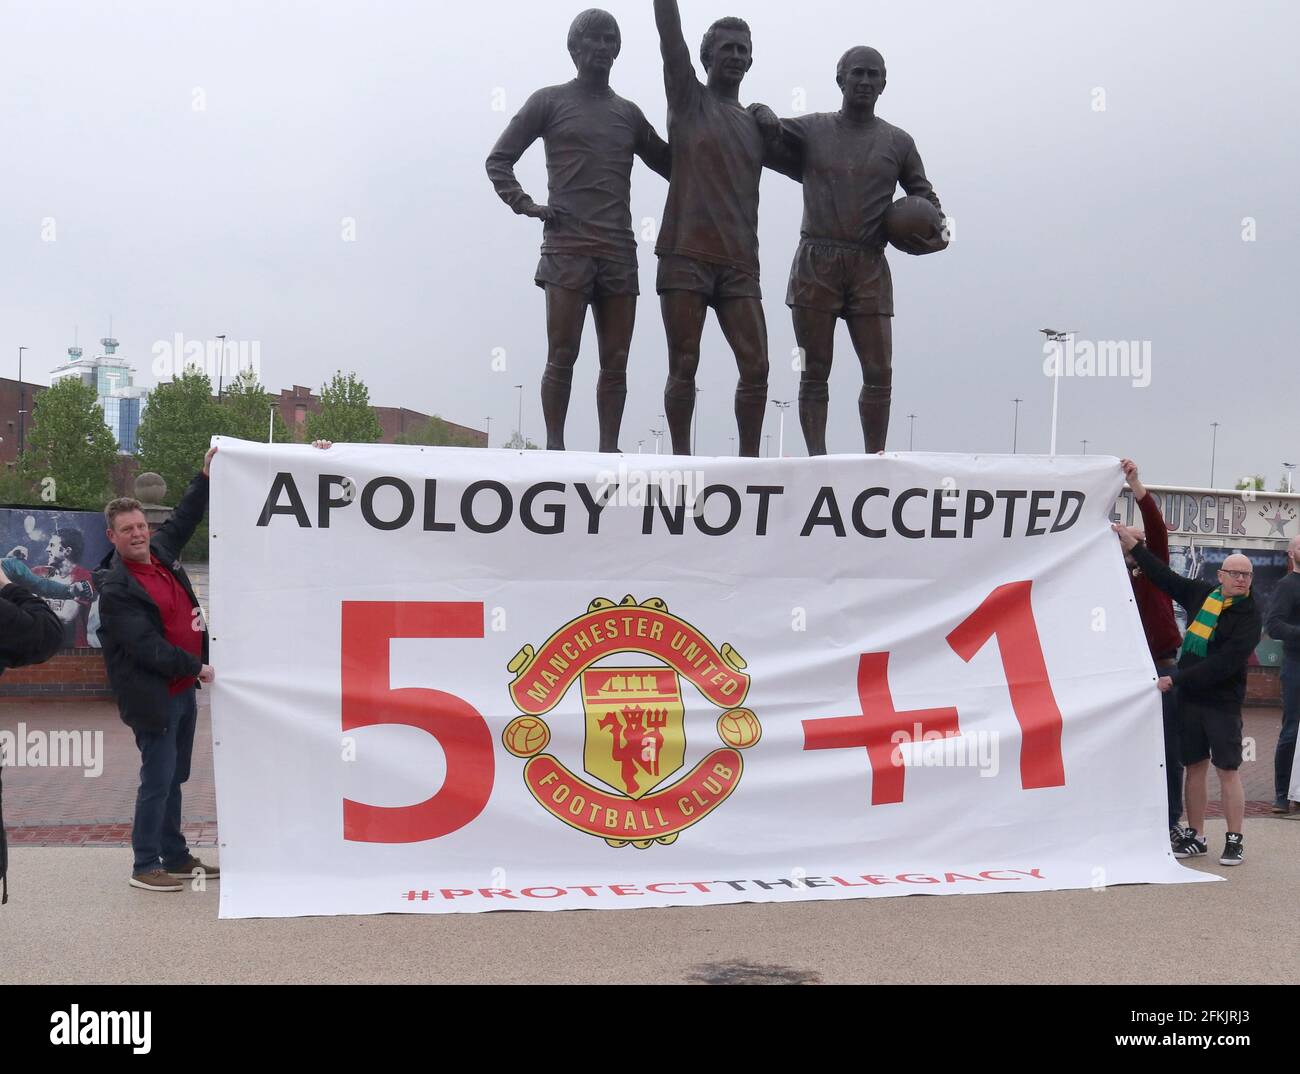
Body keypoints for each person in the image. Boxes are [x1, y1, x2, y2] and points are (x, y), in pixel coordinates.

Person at [487, 9, 671, 453]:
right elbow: (499, 159)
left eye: (612, 40)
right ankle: (555, 446)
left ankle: (609, 447)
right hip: (566, 249)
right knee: (563, 354)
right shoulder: (548, 102)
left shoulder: (628, 114)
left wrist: (703, 133)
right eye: (596, 40)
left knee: (617, 361)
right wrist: (525, 204)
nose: (605, 48)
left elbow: (673, 166)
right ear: (575, 48)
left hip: (619, 252)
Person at [761, 46, 946, 454]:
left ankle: (874, 459)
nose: (864, 81)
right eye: (856, 73)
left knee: (879, 371)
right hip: (816, 263)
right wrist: (760, 112)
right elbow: (768, 136)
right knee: (815, 372)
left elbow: (926, 197)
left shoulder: (898, 142)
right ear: (840, 79)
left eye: (872, 74)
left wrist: (935, 235)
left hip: (868, 264)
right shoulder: (813, 129)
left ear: (883, 83)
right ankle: (817, 461)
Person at [652, 0, 775, 457]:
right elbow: (669, 32)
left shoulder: (758, 125)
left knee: (758, 367)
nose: (737, 56)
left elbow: (815, 165)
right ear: (706, 58)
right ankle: (680, 460)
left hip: (740, 263)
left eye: (744, 49)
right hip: (685, 255)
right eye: (727, 48)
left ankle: (748, 464)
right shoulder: (687, 98)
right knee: (684, 364)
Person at [97, 447, 217, 892]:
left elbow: (185, 517)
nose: (138, 534)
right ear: (112, 536)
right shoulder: (116, 588)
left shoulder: (162, 553)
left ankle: (176, 855)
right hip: (155, 696)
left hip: (182, 690)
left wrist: (204, 476)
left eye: (141, 526)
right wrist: (197, 666)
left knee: (175, 777)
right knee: (158, 778)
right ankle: (145, 865)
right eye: (127, 529)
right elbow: (147, 648)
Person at [1115, 527, 1262, 866]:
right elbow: (1163, 576)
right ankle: (1196, 835)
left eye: (1246, 574)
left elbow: (1225, 663)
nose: (1241, 579)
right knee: (1194, 766)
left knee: (1228, 769)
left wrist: (1177, 678)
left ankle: (1234, 839)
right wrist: (1135, 547)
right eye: (1234, 573)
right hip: (1191, 700)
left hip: (1221, 703)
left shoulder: (1250, 615)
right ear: (1220, 575)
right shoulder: (1202, 596)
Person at [1115, 460, 1185, 846]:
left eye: (1133, 534)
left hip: (1161, 666)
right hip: (1125, 671)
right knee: (1126, 747)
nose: (1127, 535)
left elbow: (1155, 526)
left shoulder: (1154, 567)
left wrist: (1135, 484)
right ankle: (1127, 817)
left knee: (1168, 747)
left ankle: (1171, 819)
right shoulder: (1108, 574)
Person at [1265, 535, 1300, 814]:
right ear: (1291, 553)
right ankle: (1281, 794)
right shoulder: (1286, 586)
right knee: (1292, 729)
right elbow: (1274, 625)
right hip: (1296, 666)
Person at [32, 528, 94, 647]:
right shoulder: (38, 572)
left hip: (71, 650)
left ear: (67, 551)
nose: (47, 549)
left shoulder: (83, 577)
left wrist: (34, 611)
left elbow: (67, 617)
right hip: (39, 647)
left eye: (52, 545)